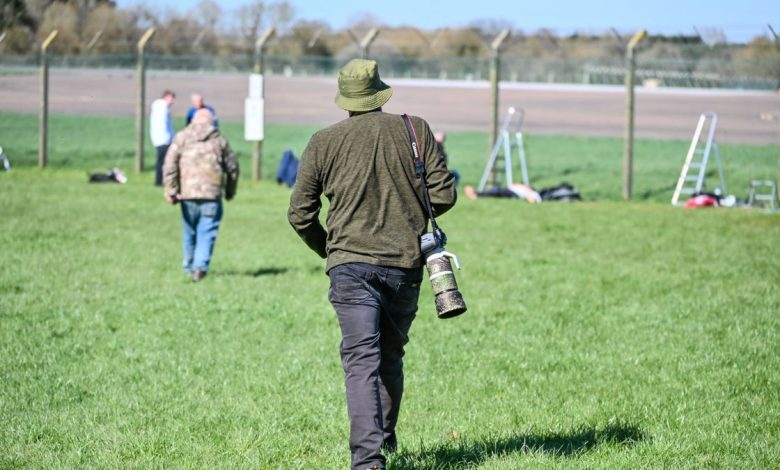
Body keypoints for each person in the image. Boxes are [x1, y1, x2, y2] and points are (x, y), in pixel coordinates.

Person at [288, 59, 457, 470]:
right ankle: (385, 441)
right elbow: (445, 195)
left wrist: (330, 249)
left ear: (345, 99)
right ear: (381, 92)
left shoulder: (322, 142)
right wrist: (409, 216)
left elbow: (300, 214)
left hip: (348, 266)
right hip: (405, 262)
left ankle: (368, 461)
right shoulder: (414, 129)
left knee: (361, 359)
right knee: (390, 355)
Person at [163, 108, 238, 282]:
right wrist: (230, 191)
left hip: (187, 194)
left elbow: (170, 165)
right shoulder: (219, 140)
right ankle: (200, 267)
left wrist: (171, 190)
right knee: (207, 231)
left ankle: (189, 266)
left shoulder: (181, 137)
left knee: (189, 230)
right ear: (211, 122)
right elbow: (232, 168)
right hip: (212, 194)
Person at [150, 89, 176, 186]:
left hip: (160, 139)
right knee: (163, 162)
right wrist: (170, 138)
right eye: (171, 99)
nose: (172, 102)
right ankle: (159, 181)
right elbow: (164, 125)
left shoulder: (159, 107)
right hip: (163, 140)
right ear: (166, 97)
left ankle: (160, 181)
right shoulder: (162, 107)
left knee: (162, 162)